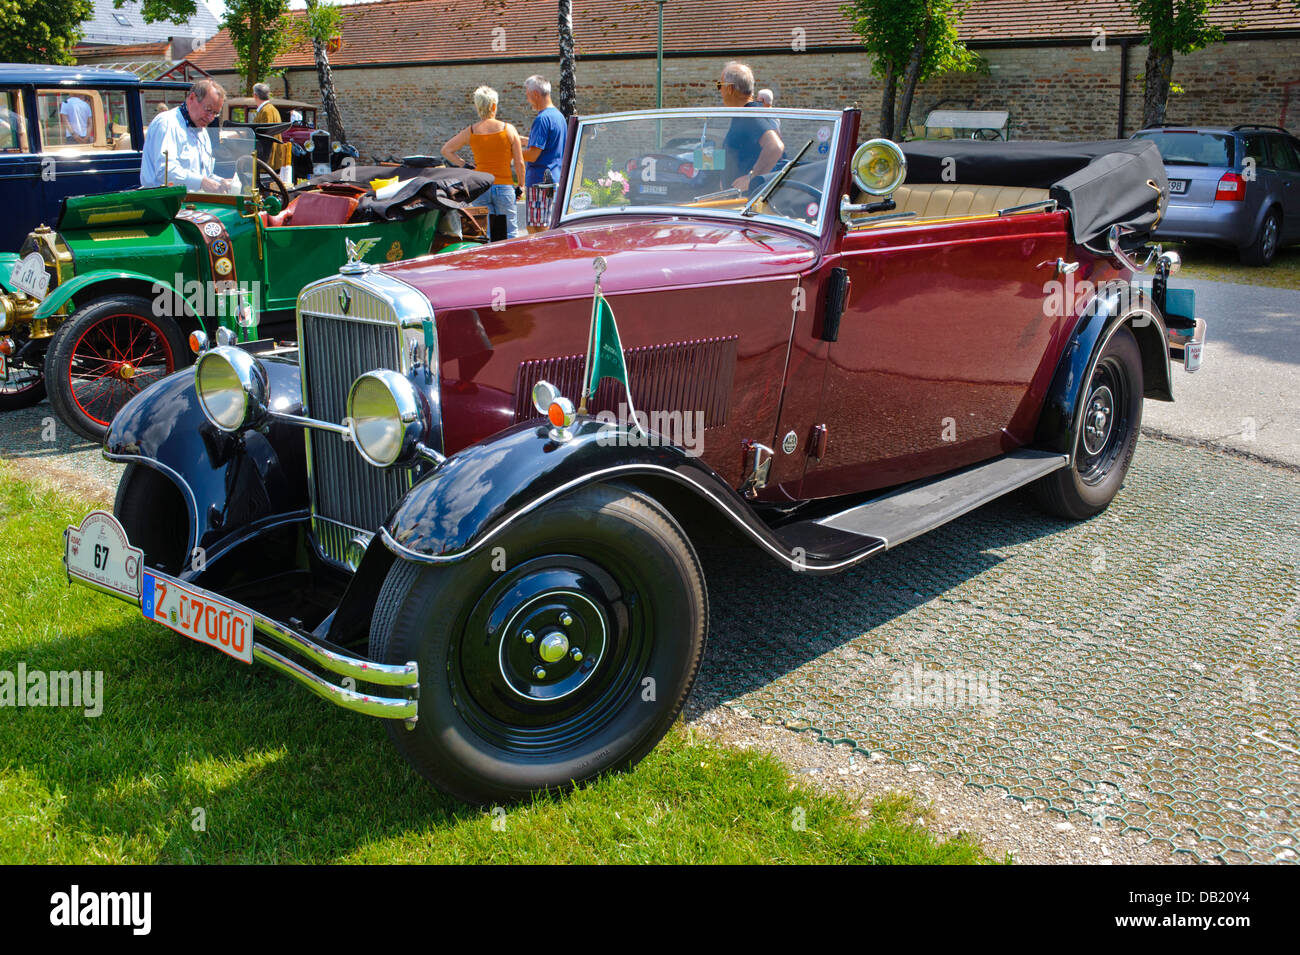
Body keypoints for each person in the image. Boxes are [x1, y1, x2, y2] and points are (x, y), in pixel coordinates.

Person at [440, 85, 526, 239]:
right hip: (504, 185)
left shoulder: (471, 131)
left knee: (488, 233)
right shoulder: (509, 130)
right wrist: (521, 185)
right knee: (510, 232)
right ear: (494, 106)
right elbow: (519, 162)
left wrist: (465, 165)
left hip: (482, 186)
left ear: (477, 106)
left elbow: (446, 150)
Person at [140, 78, 231, 193]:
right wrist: (202, 181)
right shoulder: (167, 123)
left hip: (194, 204)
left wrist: (221, 181)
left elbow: (202, 174)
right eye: (208, 110)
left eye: (215, 113)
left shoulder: (202, 131)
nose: (211, 118)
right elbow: (165, 172)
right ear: (192, 98)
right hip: (164, 203)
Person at [717, 61, 784, 192]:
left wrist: (752, 178)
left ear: (730, 89)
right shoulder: (751, 112)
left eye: (720, 85)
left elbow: (775, 147)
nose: (720, 91)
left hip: (746, 202)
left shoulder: (749, 115)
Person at [521, 75, 565, 233]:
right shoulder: (558, 117)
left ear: (535, 94)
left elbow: (533, 155)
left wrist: (511, 154)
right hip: (554, 177)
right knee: (545, 225)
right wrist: (524, 141)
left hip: (540, 180)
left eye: (527, 94)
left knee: (537, 228)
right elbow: (550, 144)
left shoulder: (542, 119)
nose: (527, 99)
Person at [252, 82, 292, 175]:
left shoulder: (266, 111)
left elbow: (264, 136)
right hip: (270, 160)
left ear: (255, 95)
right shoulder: (271, 109)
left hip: (267, 160)